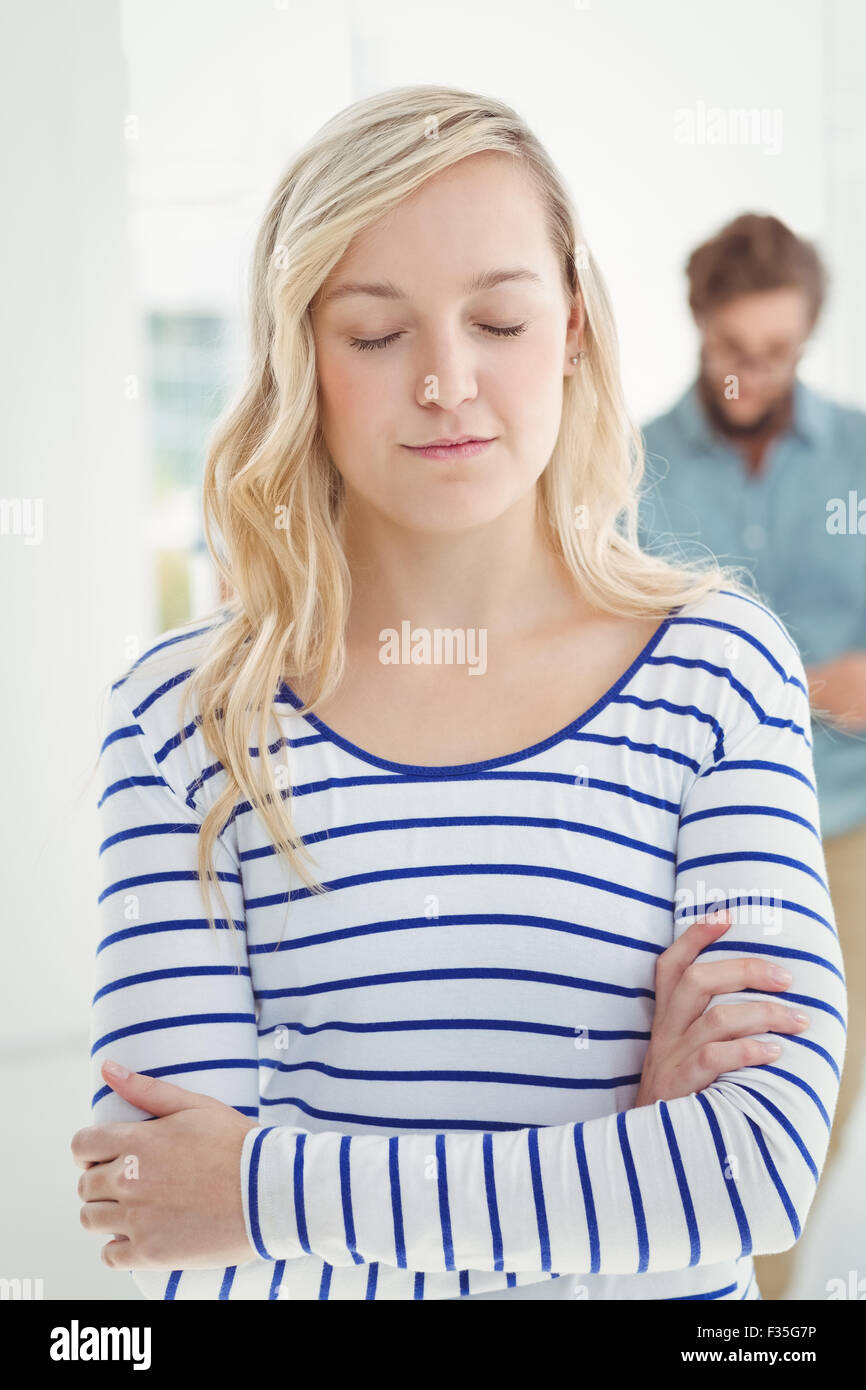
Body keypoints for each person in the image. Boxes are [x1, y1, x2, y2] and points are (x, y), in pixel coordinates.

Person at [73, 88, 845, 1301]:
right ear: (300, 358)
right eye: (376, 335)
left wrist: (265, 1181)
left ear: (574, 329)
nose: (444, 382)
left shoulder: (716, 668)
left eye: (496, 319)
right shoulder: (180, 715)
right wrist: (615, 1167)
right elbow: (174, 1220)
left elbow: (750, 1176)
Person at [638, 212, 866, 1300]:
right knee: (710, 1088)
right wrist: (790, 687)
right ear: (697, 326)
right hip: (682, 844)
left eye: (774, 353)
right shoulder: (626, 466)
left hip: (846, 827)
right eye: (732, 351)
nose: (750, 375)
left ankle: (757, 1309)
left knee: (809, 1099)